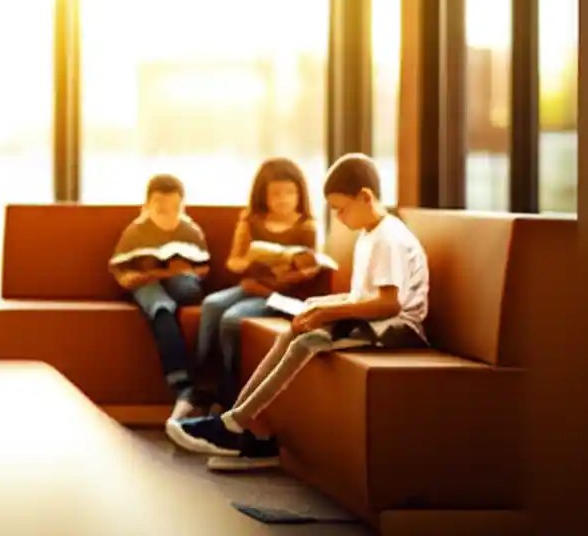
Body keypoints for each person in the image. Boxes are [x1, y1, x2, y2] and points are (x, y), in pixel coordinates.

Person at [166, 153, 429, 472]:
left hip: (396, 330)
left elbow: (390, 304)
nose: (340, 218)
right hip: (375, 322)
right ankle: (236, 423)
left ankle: (235, 424)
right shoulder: (370, 234)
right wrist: (318, 305)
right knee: (298, 325)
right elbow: (365, 297)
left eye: (341, 209)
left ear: (365, 197)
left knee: (307, 341)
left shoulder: (389, 238)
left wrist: (325, 313)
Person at [183, 158, 319, 418]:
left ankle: (228, 395)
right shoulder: (251, 221)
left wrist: (287, 273)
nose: (283, 199)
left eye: (290, 193)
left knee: (231, 320)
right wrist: (251, 259)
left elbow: (311, 267)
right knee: (212, 305)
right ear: (262, 195)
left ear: (300, 194)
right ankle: (201, 386)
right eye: (276, 193)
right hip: (250, 286)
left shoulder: (306, 226)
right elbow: (234, 262)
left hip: (279, 295)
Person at [110, 175, 210, 417]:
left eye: (175, 208)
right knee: (161, 309)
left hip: (181, 283)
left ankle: (205, 381)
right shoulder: (135, 231)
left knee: (186, 289)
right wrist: (154, 273)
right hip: (147, 283)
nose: (168, 214)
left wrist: (183, 271)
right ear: (146, 207)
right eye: (161, 208)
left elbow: (204, 268)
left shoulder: (190, 229)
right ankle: (182, 383)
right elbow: (119, 269)